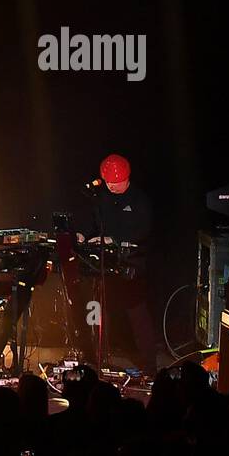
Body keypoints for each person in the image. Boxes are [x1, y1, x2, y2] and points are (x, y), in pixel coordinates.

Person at [80, 153, 156, 377]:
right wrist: (82, 234)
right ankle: (98, 361)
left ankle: (151, 367)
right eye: (109, 183)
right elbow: (92, 221)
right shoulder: (102, 197)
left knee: (137, 315)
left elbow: (143, 230)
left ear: (127, 177)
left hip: (131, 264)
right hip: (105, 266)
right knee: (99, 312)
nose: (112, 187)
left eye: (116, 183)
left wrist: (113, 239)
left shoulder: (140, 200)